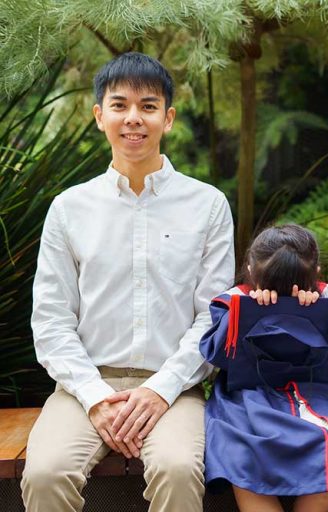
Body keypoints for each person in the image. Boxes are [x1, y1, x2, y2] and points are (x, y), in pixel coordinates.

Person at [22, 52, 235, 512]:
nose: (133, 118)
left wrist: (161, 389)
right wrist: (97, 397)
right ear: (100, 116)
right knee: (44, 474)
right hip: (83, 386)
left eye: (148, 106)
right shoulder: (69, 208)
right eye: (119, 105)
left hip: (174, 386)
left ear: (168, 117)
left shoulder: (209, 205)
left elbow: (213, 318)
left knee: (178, 470)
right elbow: (52, 320)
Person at [200, 223, 328, 512]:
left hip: (320, 397)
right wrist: (246, 312)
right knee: (238, 452)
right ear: (252, 274)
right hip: (246, 401)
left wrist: (327, 312)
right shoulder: (235, 300)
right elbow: (218, 356)